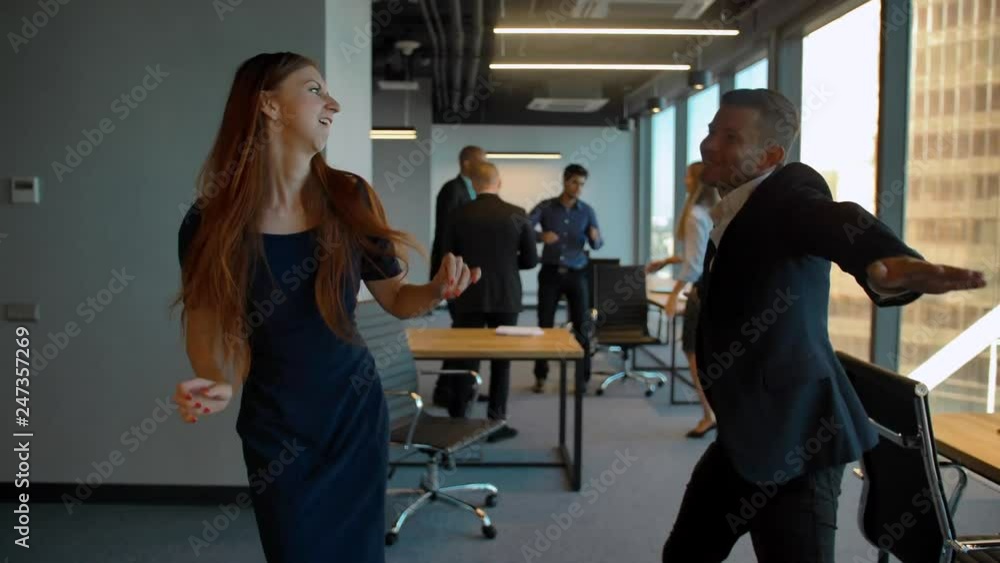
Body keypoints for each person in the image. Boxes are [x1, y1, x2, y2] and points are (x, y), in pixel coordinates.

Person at [170, 52, 480, 563]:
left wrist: (436, 291)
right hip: (276, 423)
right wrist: (214, 378)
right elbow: (203, 324)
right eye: (315, 89)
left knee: (358, 554)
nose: (332, 103)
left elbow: (398, 299)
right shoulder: (210, 221)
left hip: (352, 413)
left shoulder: (350, 196)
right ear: (269, 105)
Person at [660, 88, 985, 563]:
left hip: (799, 440)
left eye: (730, 137)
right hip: (746, 431)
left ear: (770, 154)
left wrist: (884, 261)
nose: (710, 145)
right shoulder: (737, 204)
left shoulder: (788, 194)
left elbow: (832, 220)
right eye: (711, 131)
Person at [440, 161, 539, 442]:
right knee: (501, 361)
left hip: (467, 292)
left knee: (464, 356)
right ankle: (496, 421)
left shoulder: (458, 214)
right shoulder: (518, 214)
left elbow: (447, 255)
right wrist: (506, 264)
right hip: (506, 295)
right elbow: (531, 261)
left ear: (473, 183)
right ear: (500, 182)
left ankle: (457, 420)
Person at [646, 161, 720, 438]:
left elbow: (693, 265)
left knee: (693, 353)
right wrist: (667, 260)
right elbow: (700, 255)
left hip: (700, 292)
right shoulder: (715, 212)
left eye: (688, 175)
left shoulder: (694, 215)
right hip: (716, 291)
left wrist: (674, 294)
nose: (684, 180)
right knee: (711, 354)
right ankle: (716, 412)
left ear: (697, 181)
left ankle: (708, 413)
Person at [529, 163, 602, 394]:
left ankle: (582, 379)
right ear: (564, 181)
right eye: (574, 183)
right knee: (545, 324)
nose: (578, 188)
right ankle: (541, 376)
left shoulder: (587, 211)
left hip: (578, 273)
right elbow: (524, 228)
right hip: (550, 273)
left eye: (582, 184)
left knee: (582, 326)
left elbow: (598, 244)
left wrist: (595, 237)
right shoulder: (546, 206)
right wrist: (541, 235)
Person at [430, 145, 488, 407]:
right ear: (466, 163)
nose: (484, 163)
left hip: (466, 272)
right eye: (480, 160)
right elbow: (446, 235)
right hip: (454, 272)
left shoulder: (472, 189)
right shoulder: (452, 190)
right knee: (463, 331)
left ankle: (450, 388)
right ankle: (451, 390)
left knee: (463, 331)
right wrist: (448, 274)